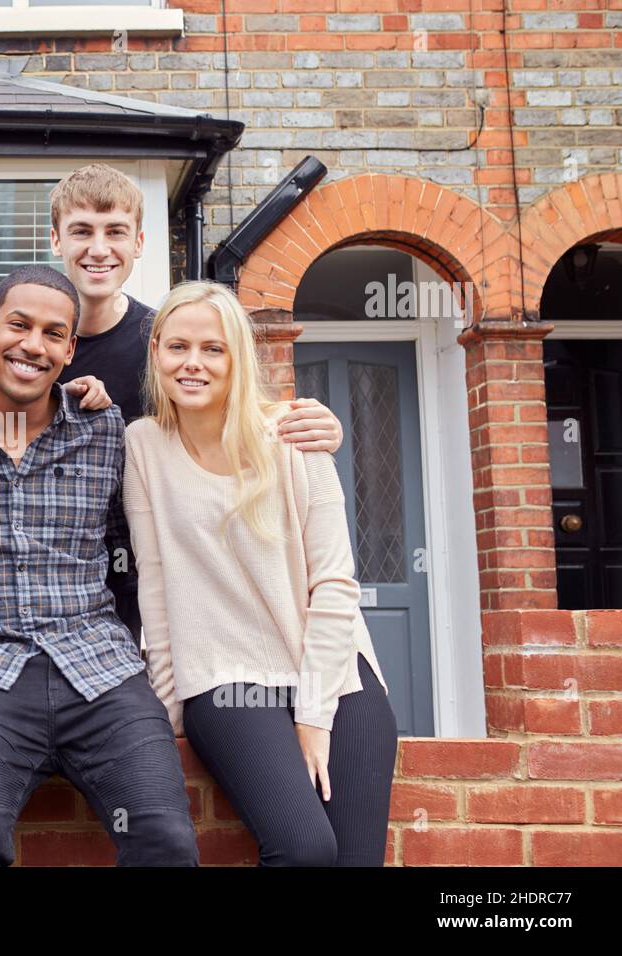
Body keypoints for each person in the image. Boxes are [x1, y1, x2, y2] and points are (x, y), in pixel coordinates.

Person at [0, 162, 344, 641]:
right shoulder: (10, 325)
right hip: (6, 587)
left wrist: (304, 421)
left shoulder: (161, 341)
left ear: (139, 243)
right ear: (56, 240)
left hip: (125, 581)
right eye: (81, 231)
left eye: (115, 232)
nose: (98, 249)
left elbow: (229, 412)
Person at [0, 264, 199, 867]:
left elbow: (141, 543)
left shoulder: (103, 429)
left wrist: (282, 424)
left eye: (53, 334)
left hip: (102, 672)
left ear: (69, 350)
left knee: (166, 841)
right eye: (19, 325)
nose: (33, 345)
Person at [123, 280, 399, 867]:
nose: (192, 363)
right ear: (155, 353)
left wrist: (314, 716)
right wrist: (168, 717)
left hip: (334, 674)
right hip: (224, 678)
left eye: (213, 349)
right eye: (177, 347)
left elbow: (334, 584)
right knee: (304, 850)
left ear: (237, 359)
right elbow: (156, 586)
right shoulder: (143, 447)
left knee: (354, 860)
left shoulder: (296, 436)